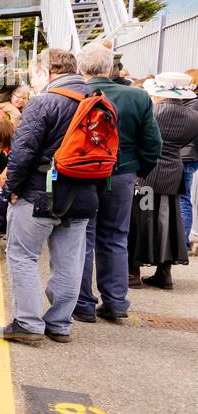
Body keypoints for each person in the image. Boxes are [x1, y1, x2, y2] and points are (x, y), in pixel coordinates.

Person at [0, 48, 100, 344]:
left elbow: (22, 154)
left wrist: (10, 190)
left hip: (40, 195)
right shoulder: (99, 103)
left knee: (22, 256)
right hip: (83, 195)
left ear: (47, 71)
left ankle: (28, 324)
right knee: (70, 261)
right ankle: (59, 324)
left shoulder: (44, 103)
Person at [74, 45, 161, 322]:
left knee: (82, 236)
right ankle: (115, 302)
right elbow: (152, 144)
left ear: (81, 68)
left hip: (81, 174)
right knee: (115, 236)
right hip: (122, 173)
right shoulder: (138, 97)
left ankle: (83, 302)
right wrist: (137, 170)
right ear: (111, 69)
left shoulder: (75, 95)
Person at [129, 78, 198, 288]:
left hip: (148, 174)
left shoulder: (152, 111)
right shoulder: (194, 116)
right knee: (169, 220)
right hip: (174, 171)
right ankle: (164, 272)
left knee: (142, 218)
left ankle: (133, 271)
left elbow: (140, 138)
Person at [180, 69, 198, 243]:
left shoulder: (192, 104)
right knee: (183, 197)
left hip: (186, 156)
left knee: (183, 198)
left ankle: (182, 241)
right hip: (190, 156)